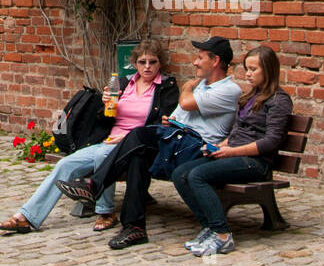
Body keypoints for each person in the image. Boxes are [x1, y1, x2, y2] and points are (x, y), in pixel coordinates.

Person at [55, 35, 242, 249]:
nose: (195, 62)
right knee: (137, 155)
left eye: (200, 58)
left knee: (139, 136)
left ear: (215, 61)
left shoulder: (228, 90)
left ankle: (95, 185)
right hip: (176, 142)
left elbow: (186, 103)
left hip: (195, 149)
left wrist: (187, 88)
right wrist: (170, 121)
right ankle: (134, 228)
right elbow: (176, 117)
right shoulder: (201, 87)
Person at [0, 40, 178, 234]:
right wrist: (105, 105)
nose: (147, 67)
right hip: (107, 142)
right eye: (142, 62)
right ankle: (26, 217)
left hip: (134, 147)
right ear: (135, 63)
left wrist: (127, 138)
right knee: (65, 165)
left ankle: (106, 213)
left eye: (152, 62)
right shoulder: (125, 84)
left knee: (102, 156)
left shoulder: (166, 88)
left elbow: (160, 126)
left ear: (160, 64)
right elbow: (102, 120)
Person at [173, 45, 293, 256]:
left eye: (254, 69)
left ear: (269, 70)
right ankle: (210, 227)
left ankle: (222, 235)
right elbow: (239, 132)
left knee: (197, 175)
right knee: (180, 173)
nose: (248, 74)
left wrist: (232, 152)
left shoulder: (278, 101)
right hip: (236, 154)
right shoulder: (250, 97)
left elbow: (271, 142)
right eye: (247, 68)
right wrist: (222, 146)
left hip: (255, 162)